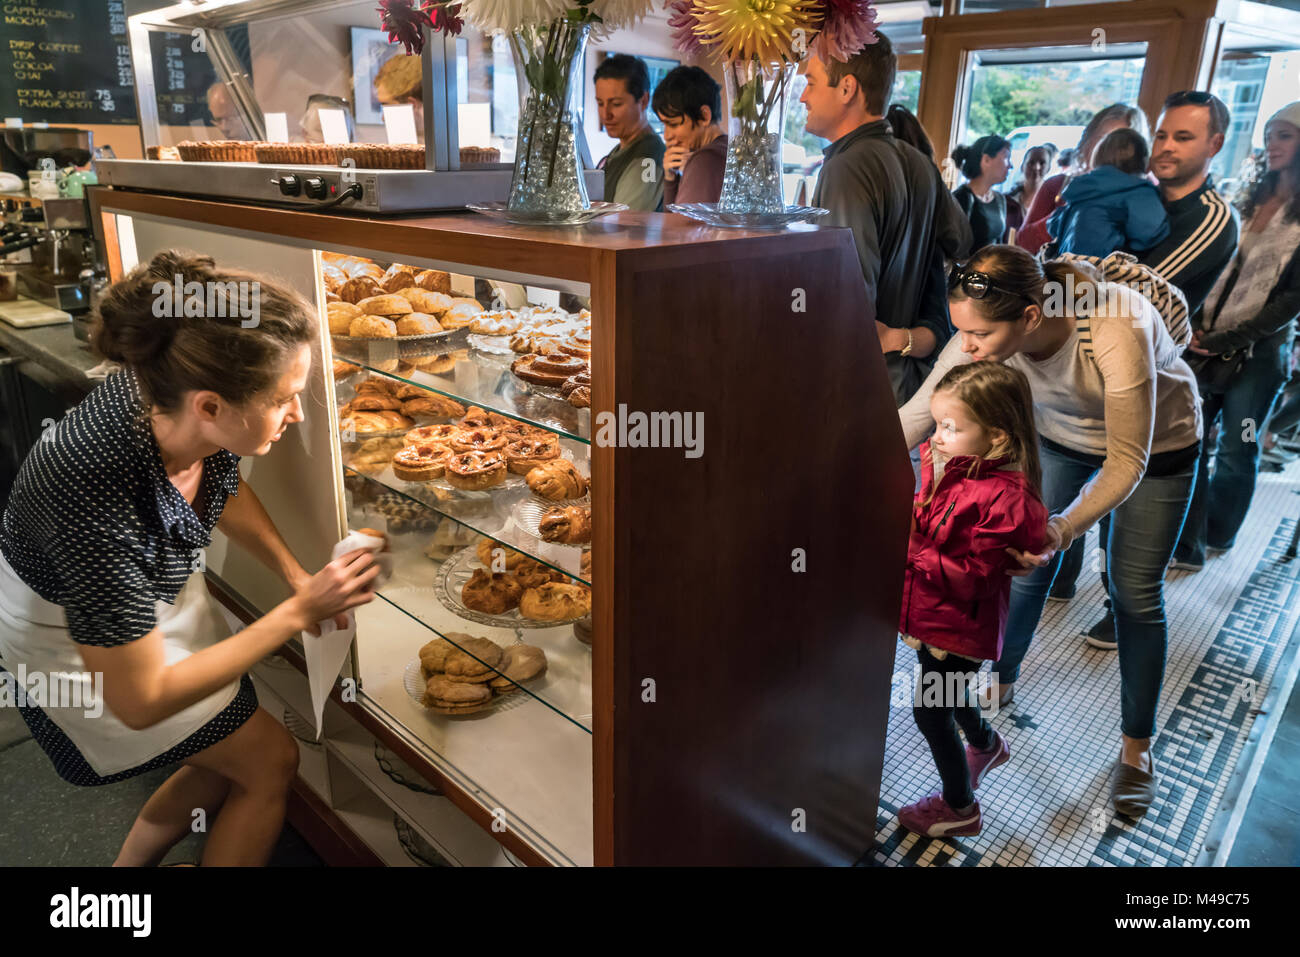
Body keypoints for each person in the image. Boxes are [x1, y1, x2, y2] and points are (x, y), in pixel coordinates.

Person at [0, 252, 380, 865]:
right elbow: (141, 698)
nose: (299, 414)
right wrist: (297, 612)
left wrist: (291, 575)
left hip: (140, 596)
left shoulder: (168, 390)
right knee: (269, 761)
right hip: (72, 643)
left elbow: (220, 485)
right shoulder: (92, 494)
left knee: (217, 755)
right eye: (285, 398)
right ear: (211, 406)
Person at [899, 246, 1202, 818]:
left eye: (980, 335)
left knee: (1133, 592)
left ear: (1031, 318)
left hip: (1158, 447)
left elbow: (1126, 461)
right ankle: (1001, 687)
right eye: (961, 331)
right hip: (1063, 435)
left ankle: (1137, 751)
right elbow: (919, 412)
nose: (966, 346)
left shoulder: (1114, 322)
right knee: (1023, 571)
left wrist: (1059, 530)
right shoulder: (984, 322)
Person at [1076, 91, 1238, 645]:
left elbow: (1127, 284)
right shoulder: (1140, 194)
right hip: (1093, 359)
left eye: (1184, 138)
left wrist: (1077, 275)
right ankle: (1065, 573)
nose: (1165, 147)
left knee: (1130, 493)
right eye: (1163, 134)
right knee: (1088, 479)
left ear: (1215, 144)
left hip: (1154, 379)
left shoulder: (1211, 217)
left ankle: (1120, 604)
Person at [897, 362, 1049, 837]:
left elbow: (970, 581)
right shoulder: (957, 467)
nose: (938, 436)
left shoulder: (1006, 501)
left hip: (960, 626)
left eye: (950, 427)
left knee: (930, 709)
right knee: (944, 687)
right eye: (938, 424)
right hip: (933, 618)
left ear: (998, 437)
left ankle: (960, 806)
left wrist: (910, 546)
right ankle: (985, 743)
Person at [801, 31, 972, 408]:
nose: (803, 97)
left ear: (847, 89)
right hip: (912, 380)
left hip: (858, 386)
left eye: (810, 83)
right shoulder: (919, 162)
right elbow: (961, 240)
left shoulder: (845, 168)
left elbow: (845, 293)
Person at [1173, 101, 1300, 569]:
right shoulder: (1249, 197)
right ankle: (1188, 535)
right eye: (1270, 134)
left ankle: (1217, 537)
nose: (1273, 143)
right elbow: (1218, 268)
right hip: (1207, 339)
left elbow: (1291, 302)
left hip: (1261, 353)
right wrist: (1199, 324)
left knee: (1238, 445)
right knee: (1192, 438)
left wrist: (1227, 338)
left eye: (1285, 135)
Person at [1018, 104, 1150, 256]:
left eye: (1122, 145)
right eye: (1103, 139)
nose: (1109, 149)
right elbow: (1023, 243)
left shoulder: (1142, 197)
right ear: (1089, 140)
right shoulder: (1058, 185)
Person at [1046, 128, 1169, 258]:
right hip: (1101, 270)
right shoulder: (1139, 192)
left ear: (1097, 158)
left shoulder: (1080, 191)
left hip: (1066, 268)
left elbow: (1053, 225)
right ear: (1146, 163)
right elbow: (1150, 233)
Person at [594, 54, 665, 212]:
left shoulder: (648, 156)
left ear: (644, 100)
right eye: (600, 103)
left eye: (616, 104)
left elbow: (625, 224)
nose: (606, 114)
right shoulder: (620, 150)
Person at [653, 66, 727, 206]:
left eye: (673, 124)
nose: (667, 136)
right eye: (664, 125)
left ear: (704, 116)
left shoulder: (706, 159)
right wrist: (671, 178)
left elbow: (678, 226)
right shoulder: (727, 148)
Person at [951, 136, 1013, 251]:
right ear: (986, 160)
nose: (1010, 166)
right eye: (1006, 158)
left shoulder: (1000, 199)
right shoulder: (960, 198)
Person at [1006, 144, 1056, 240]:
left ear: (1049, 168)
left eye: (1042, 163)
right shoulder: (1007, 201)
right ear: (1022, 166)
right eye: (1031, 162)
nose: (1036, 167)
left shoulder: (1054, 204)